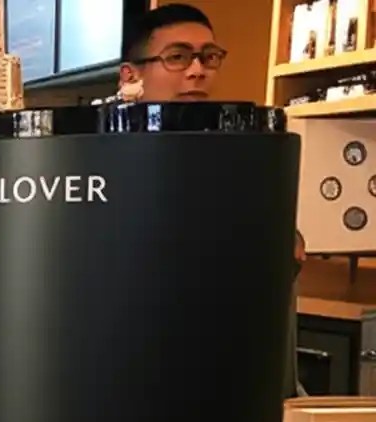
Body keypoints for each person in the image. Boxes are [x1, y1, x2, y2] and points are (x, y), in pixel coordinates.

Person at [120, 5, 306, 398]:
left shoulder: (241, 155)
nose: (197, 70)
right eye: (178, 57)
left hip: (228, 385)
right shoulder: (106, 160)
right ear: (131, 74)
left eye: (209, 57)